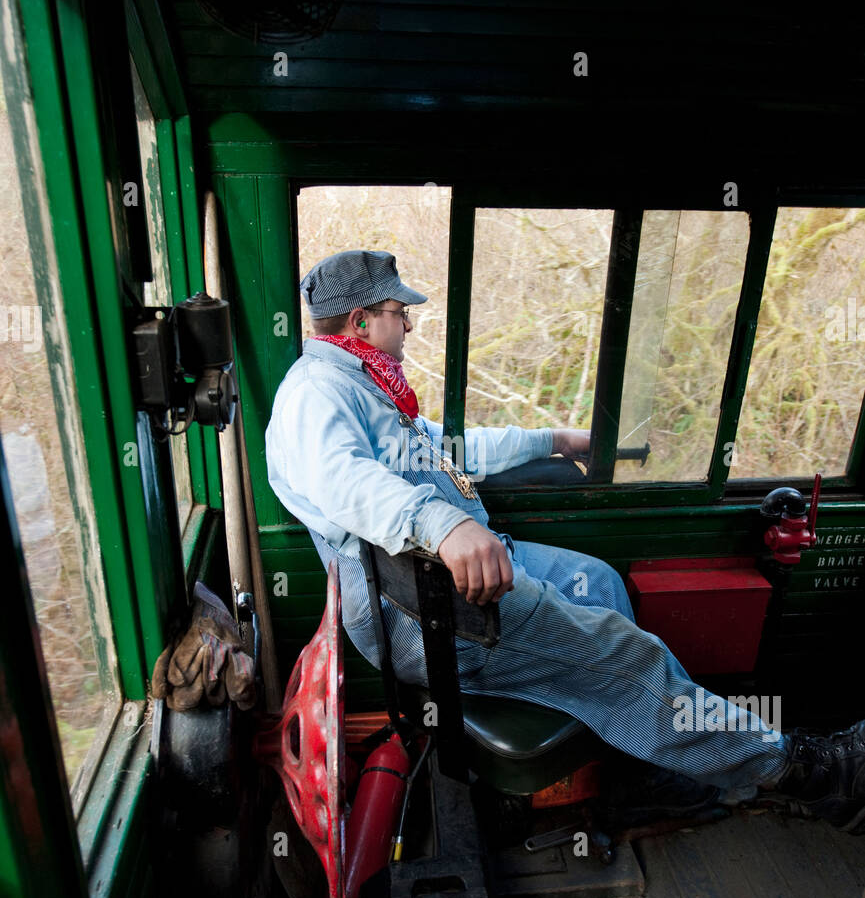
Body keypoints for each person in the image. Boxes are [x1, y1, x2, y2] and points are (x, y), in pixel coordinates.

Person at [265, 249, 865, 833]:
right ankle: (802, 770)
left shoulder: (369, 385)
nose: (411, 324)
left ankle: (634, 771)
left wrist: (551, 439)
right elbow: (345, 481)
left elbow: (450, 449)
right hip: (425, 614)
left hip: (462, 577)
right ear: (361, 320)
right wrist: (444, 525)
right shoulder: (315, 394)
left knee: (600, 582)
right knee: (631, 658)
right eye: (400, 311)